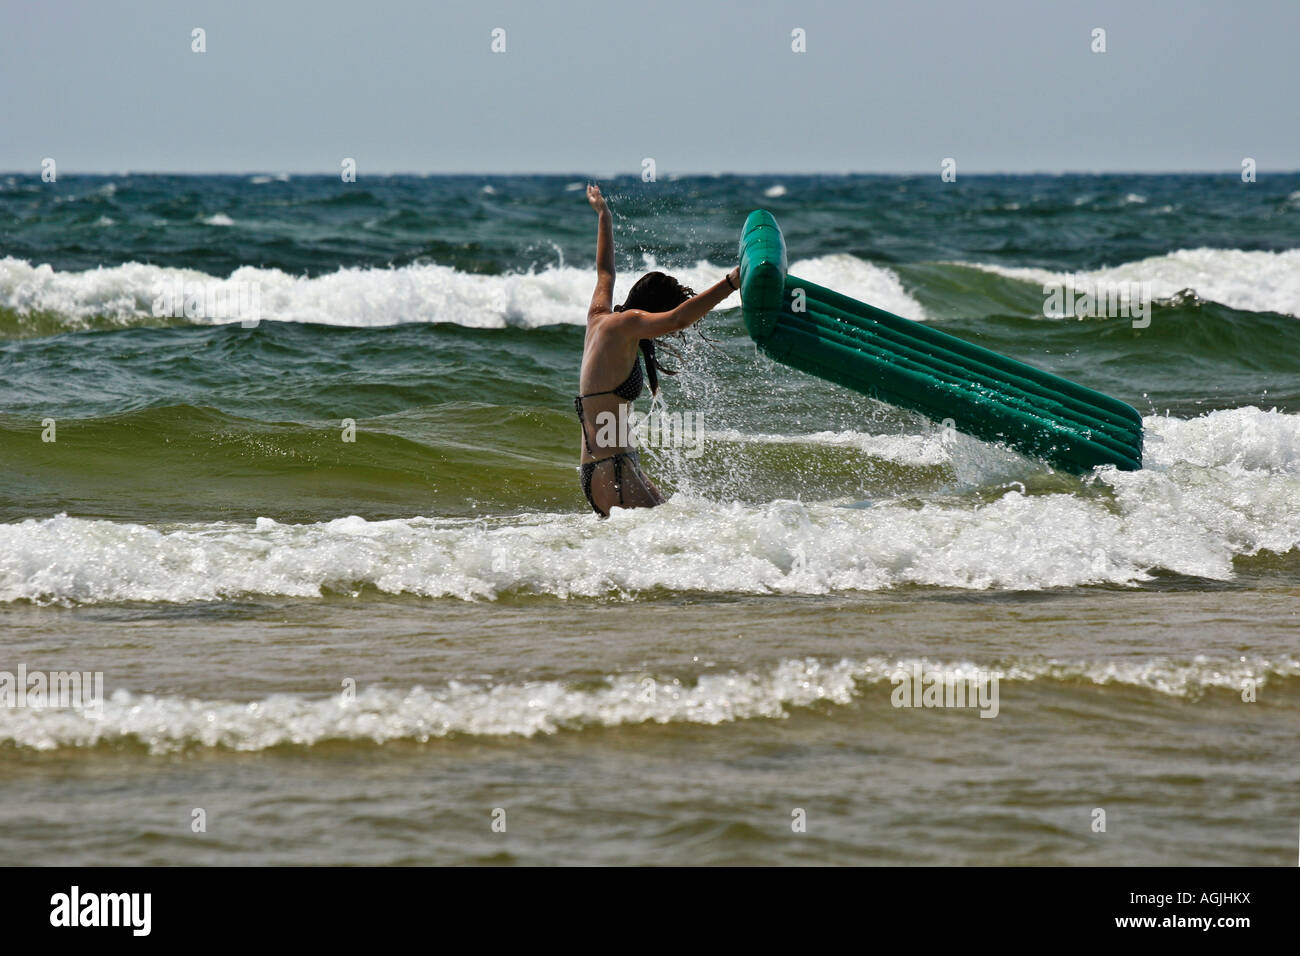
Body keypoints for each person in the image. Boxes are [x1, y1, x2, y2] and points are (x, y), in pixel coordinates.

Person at [575, 184, 739, 516]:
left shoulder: (599, 317)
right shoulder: (629, 322)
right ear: (650, 311)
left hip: (612, 467)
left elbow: (606, 271)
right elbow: (678, 318)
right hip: (612, 471)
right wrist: (732, 283)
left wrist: (604, 214)